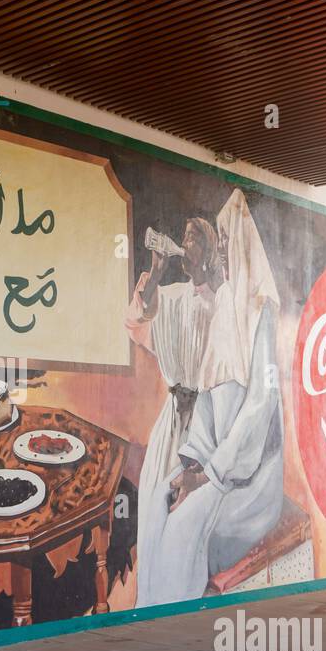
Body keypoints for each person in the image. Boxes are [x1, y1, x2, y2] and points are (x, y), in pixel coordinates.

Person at [135, 189, 284, 606]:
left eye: (226, 238)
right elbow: (205, 402)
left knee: (183, 523)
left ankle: (169, 616)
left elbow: (259, 408)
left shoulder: (261, 314)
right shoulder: (224, 309)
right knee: (159, 498)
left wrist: (211, 473)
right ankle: (146, 609)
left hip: (249, 480)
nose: (221, 248)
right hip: (214, 466)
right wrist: (192, 465)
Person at [124, 216, 217, 584]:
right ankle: (152, 593)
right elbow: (137, 319)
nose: (185, 243)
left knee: (187, 520)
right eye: (184, 236)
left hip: (205, 425)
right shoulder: (173, 295)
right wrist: (156, 271)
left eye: (193, 238)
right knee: (155, 500)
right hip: (171, 420)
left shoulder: (220, 303)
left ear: (208, 251)